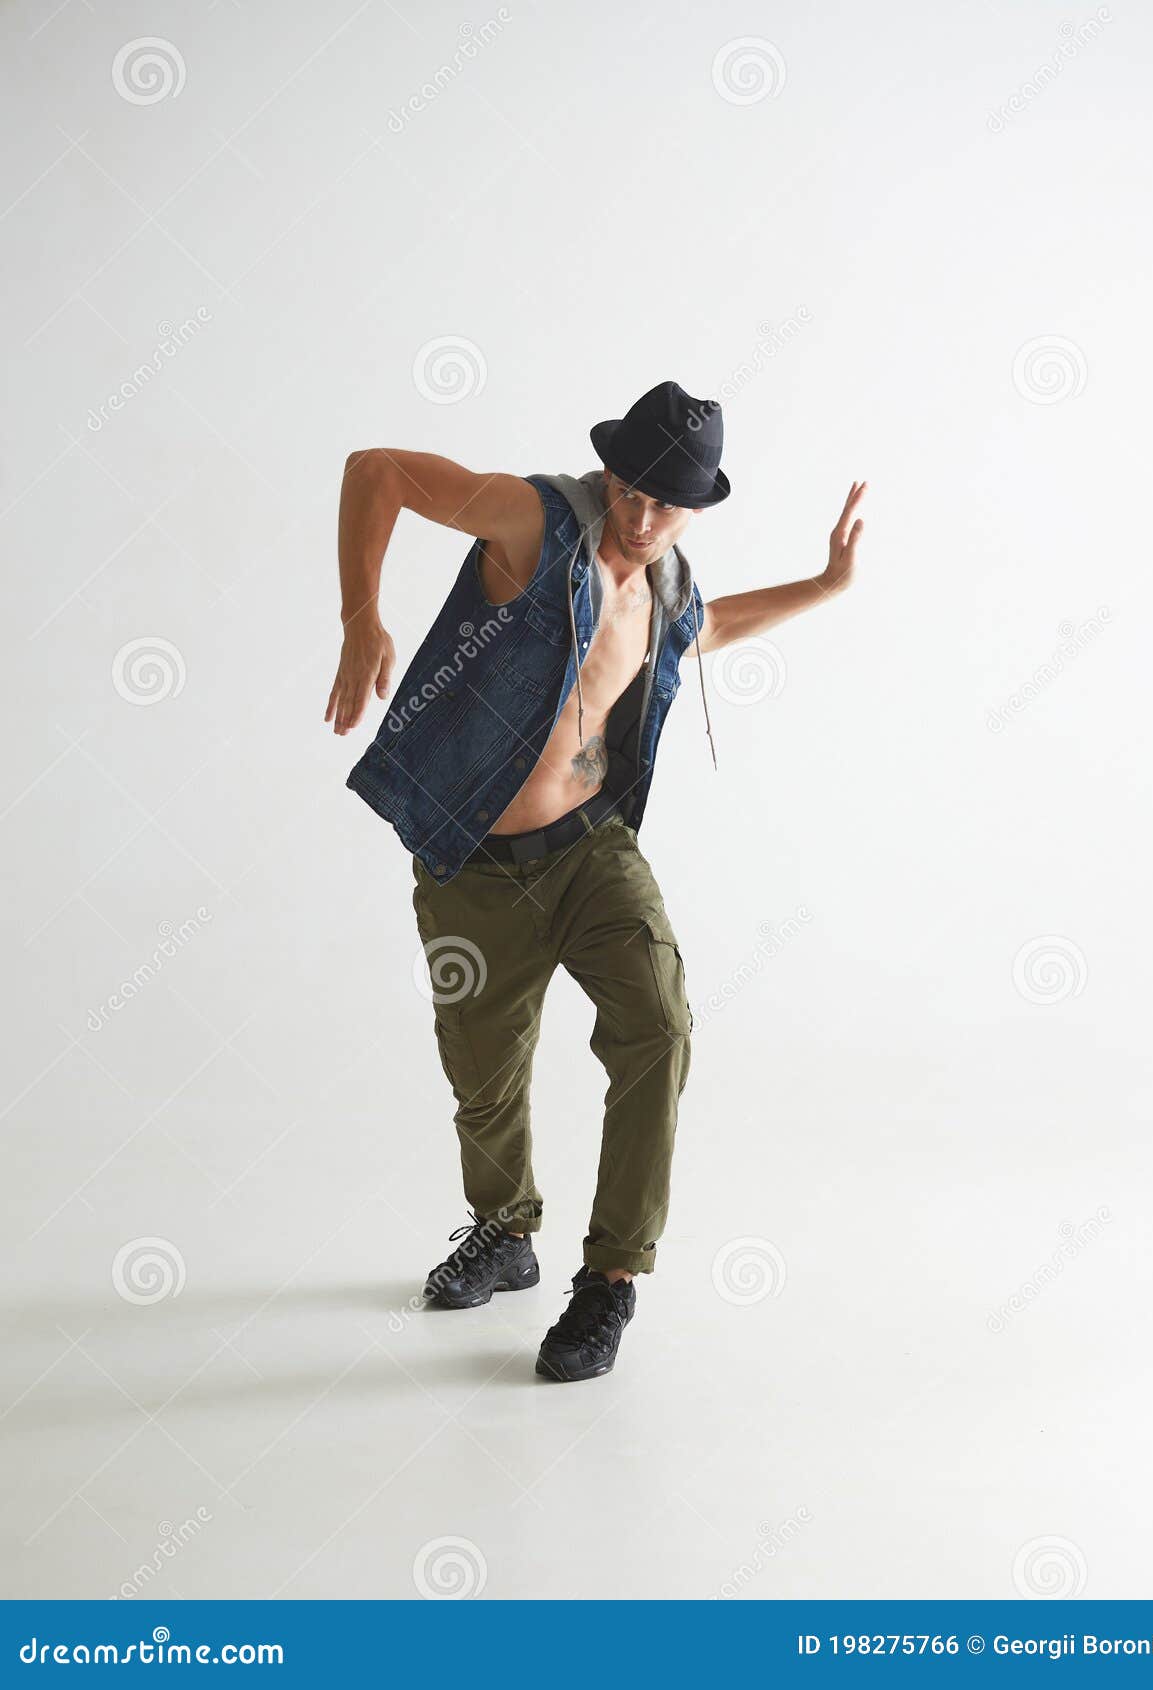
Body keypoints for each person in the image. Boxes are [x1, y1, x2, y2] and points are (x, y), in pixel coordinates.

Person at [325, 380, 866, 1382]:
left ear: (696, 507)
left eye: (670, 505)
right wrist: (363, 615)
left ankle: (611, 1278)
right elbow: (378, 473)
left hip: (591, 851)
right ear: (610, 473)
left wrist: (823, 586)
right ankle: (505, 1230)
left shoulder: (664, 585)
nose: (645, 518)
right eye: (633, 493)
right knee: (483, 1081)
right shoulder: (535, 522)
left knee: (658, 1025)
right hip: (473, 867)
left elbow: (706, 632)